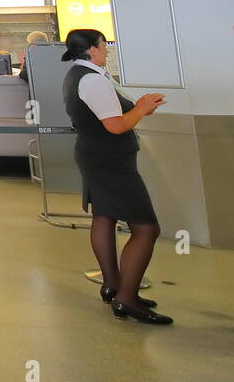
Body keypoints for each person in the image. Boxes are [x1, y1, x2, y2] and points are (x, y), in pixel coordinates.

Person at [61, 28, 171, 324]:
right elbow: (116, 126)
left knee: (105, 216)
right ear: (92, 51)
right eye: (103, 46)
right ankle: (127, 299)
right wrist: (142, 108)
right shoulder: (94, 80)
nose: (107, 51)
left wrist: (138, 110)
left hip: (95, 156)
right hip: (111, 162)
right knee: (147, 229)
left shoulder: (77, 74)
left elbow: (111, 117)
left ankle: (113, 285)